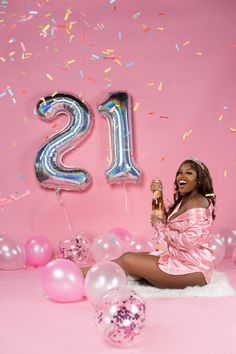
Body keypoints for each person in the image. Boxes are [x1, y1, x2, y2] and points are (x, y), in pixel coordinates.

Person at [81, 159, 216, 289]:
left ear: (199, 180)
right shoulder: (186, 199)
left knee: (127, 260)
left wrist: (159, 225)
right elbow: (165, 219)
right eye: (180, 172)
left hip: (192, 268)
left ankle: (81, 274)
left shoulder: (198, 202)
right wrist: (158, 194)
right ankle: (85, 272)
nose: (182, 175)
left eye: (189, 173)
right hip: (178, 259)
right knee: (126, 259)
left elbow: (187, 241)